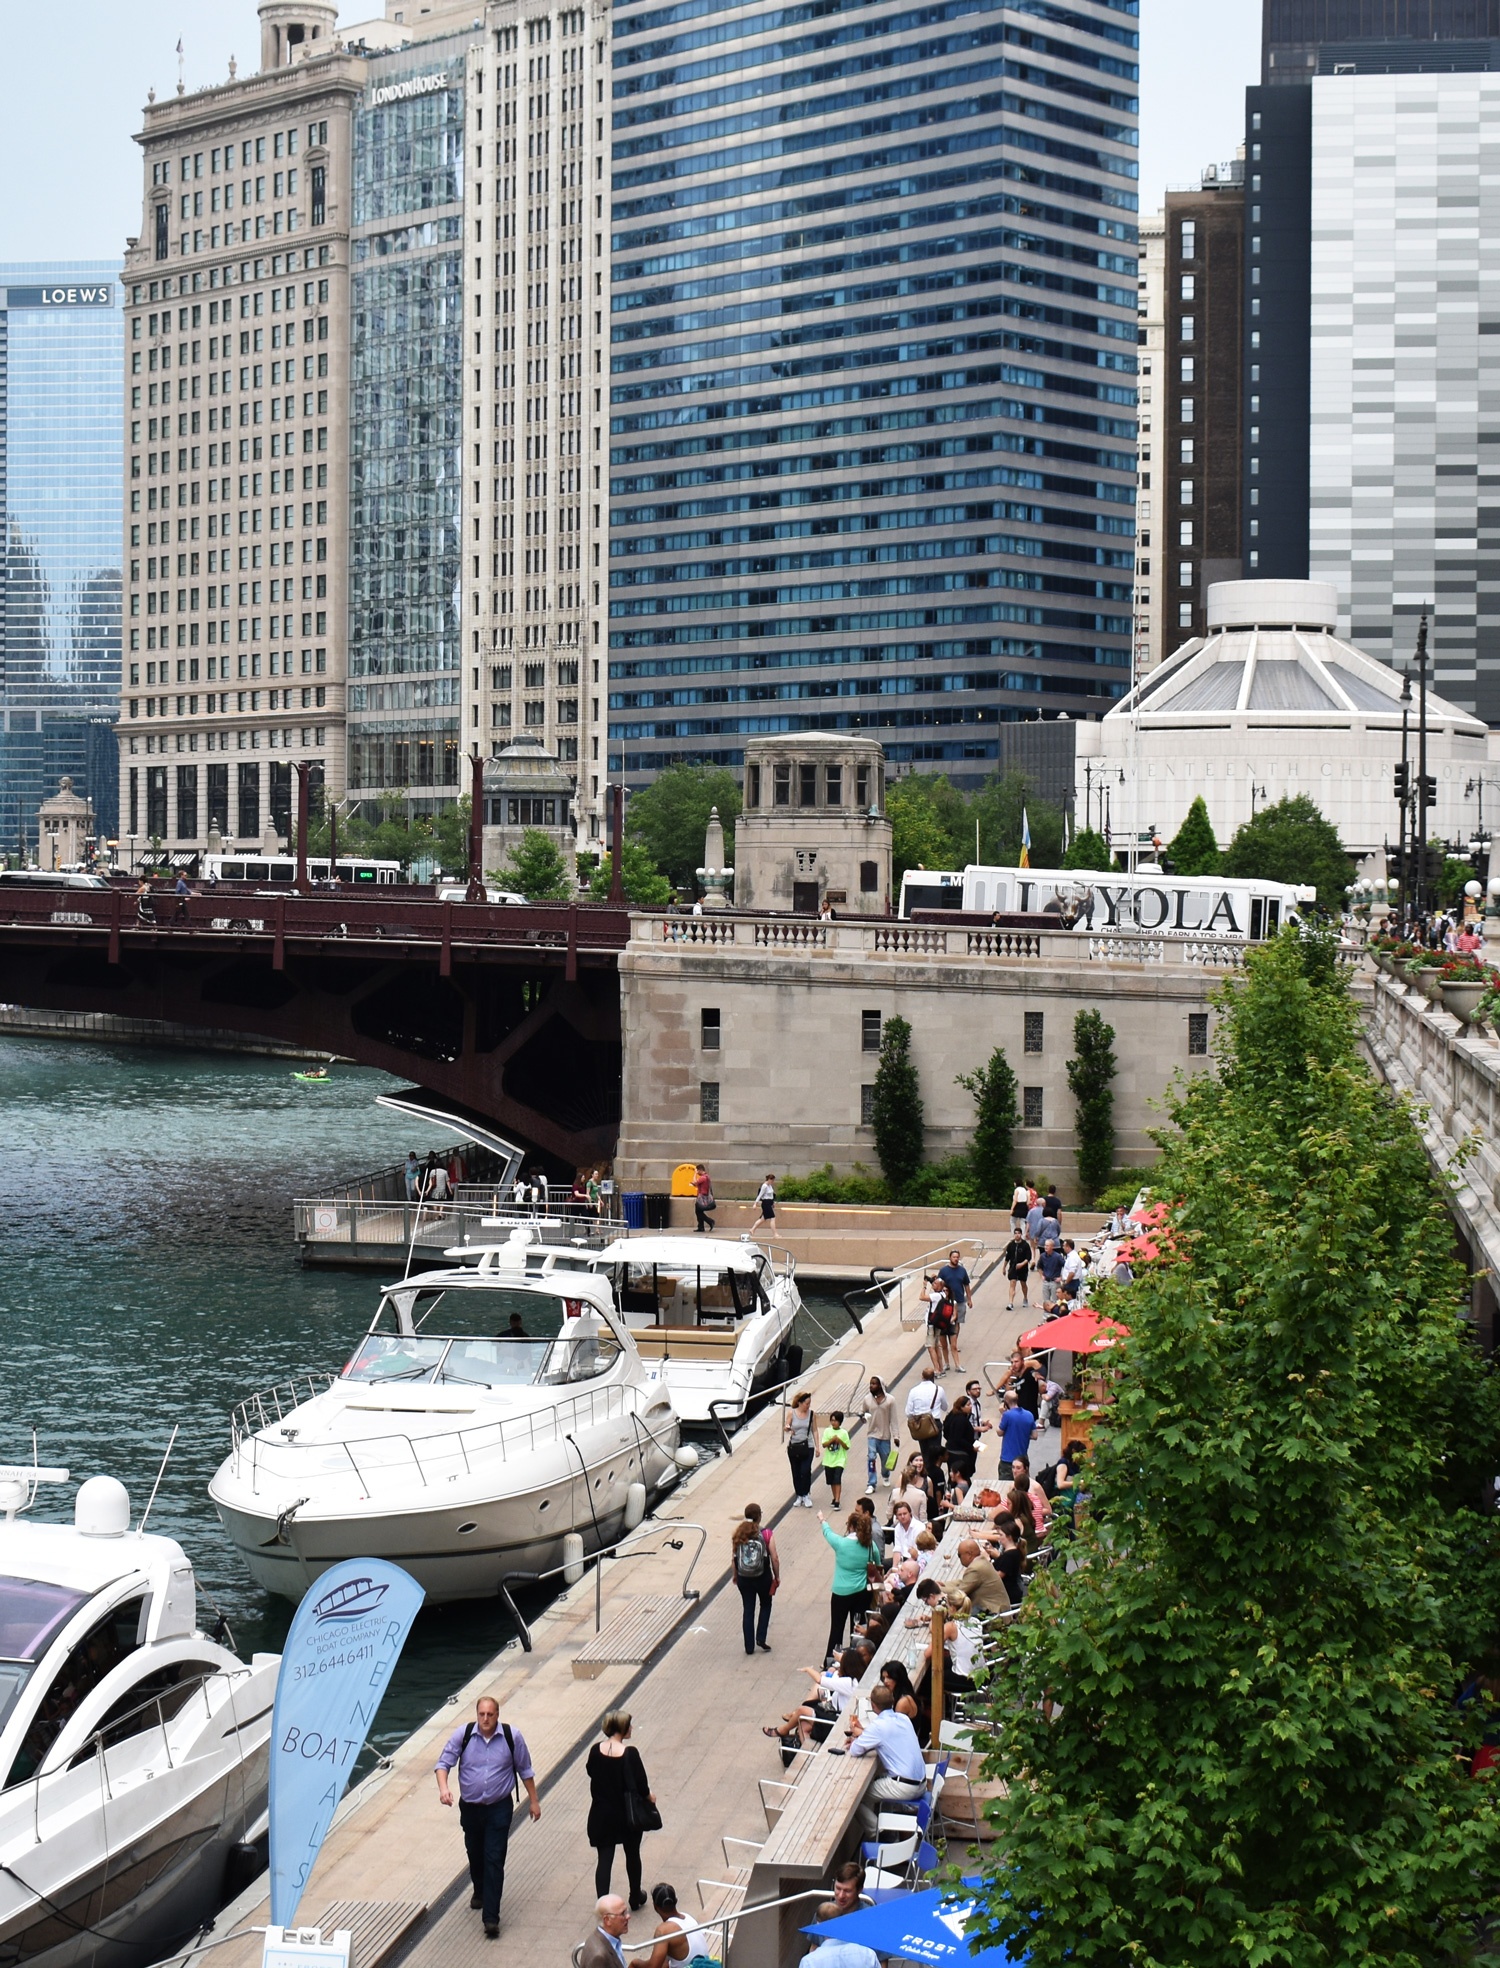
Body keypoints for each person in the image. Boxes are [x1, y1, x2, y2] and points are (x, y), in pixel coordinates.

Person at [434, 1695, 541, 1938]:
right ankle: (480, 1890)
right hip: (470, 1807)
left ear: (497, 1715)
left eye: (490, 1714)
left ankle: (491, 1917)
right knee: (475, 1852)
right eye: (481, 1714)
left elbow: (525, 1770)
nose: (485, 1719)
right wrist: (444, 1788)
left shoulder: (512, 1737)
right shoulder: (463, 1734)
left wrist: (533, 1801)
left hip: (498, 1807)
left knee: (494, 1858)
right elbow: (443, 1763)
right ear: (476, 1714)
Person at [586, 1710, 654, 1910]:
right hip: (627, 1814)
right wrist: (650, 1797)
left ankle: (604, 1905)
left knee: (604, 1859)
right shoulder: (630, 1754)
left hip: (601, 1813)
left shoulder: (594, 1750)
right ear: (623, 1729)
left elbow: (591, 1771)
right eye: (630, 1725)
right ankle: (635, 1896)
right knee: (632, 1854)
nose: (632, 1729)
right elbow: (641, 1784)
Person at [846, 1684, 927, 1837]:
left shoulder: (878, 1726)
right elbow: (890, 1739)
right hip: (922, 1783)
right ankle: (884, 1825)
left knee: (856, 1797)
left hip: (904, 1787)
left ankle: (877, 1831)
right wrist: (866, 1737)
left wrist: (859, 1738)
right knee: (878, 1783)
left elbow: (855, 1750)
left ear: (873, 1704)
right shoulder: (903, 1718)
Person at [819, 1507, 875, 1659]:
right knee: (858, 1628)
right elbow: (876, 1561)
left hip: (841, 1593)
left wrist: (823, 1520)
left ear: (850, 1526)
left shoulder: (841, 1543)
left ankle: (830, 1660)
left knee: (836, 1628)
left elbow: (828, 1533)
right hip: (862, 1593)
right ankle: (857, 1659)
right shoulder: (869, 1545)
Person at [732, 1502, 779, 1655]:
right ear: (759, 1516)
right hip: (762, 1576)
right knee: (766, 1604)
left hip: (744, 1577)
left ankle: (749, 1647)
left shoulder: (739, 1533)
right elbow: (775, 1557)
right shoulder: (765, 1534)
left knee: (748, 1609)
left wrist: (735, 1576)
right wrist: (776, 1576)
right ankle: (761, 1637)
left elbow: (734, 1558)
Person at [904, 1369, 949, 1479]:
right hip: (934, 1423)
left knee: (924, 1451)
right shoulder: (939, 1389)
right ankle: (935, 1475)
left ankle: (925, 1474)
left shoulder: (914, 1391)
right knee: (935, 1452)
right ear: (933, 1376)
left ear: (922, 1376)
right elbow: (945, 1407)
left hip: (921, 1425)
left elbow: (908, 1412)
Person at [954, 1536, 1010, 1616]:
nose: (959, 1558)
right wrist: (942, 1587)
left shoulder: (975, 1568)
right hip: (1000, 1611)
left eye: (959, 1555)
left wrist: (940, 1597)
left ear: (969, 1554)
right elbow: (963, 1583)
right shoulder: (983, 1561)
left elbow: (958, 1595)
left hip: (994, 1616)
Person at [858, 1376, 895, 1494]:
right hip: (872, 1435)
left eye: (874, 1384)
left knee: (885, 1460)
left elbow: (894, 1420)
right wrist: (862, 1417)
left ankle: (885, 1475)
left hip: (885, 1435)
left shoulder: (890, 1400)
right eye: (870, 1383)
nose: (871, 1386)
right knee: (871, 1458)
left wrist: (896, 1436)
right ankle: (871, 1483)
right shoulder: (867, 1399)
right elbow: (861, 1412)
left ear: (880, 1385)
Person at [645, 1883, 692, 1968]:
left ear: (655, 1907)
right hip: (703, 1963)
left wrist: (635, 1963)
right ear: (676, 1901)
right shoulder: (688, 1917)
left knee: (635, 1964)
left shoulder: (664, 1931)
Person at [784, 1390, 817, 1507]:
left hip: (808, 1446)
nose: (808, 1406)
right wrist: (788, 1428)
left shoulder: (812, 1414)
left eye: (809, 1403)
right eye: (806, 1403)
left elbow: (815, 1430)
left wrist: (817, 1447)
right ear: (800, 1403)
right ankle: (799, 1495)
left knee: (805, 1470)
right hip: (794, 1446)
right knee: (796, 1471)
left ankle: (806, 1493)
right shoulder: (791, 1413)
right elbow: (786, 1426)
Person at [579, 1896, 632, 1968]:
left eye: (626, 1911)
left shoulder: (608, 1939)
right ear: (607, 1920)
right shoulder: (599, 1957)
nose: (628, 1916)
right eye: (622, 1914)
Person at [940, 1394, 978, 1482]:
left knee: (953, 1476)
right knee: (961, 1478)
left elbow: (946, 1433)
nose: (971, 1407)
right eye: (968, 1405)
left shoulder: (952, 1415)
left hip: (951, 1450)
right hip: (960, 1454)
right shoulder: (960, 1420)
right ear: (961, 1407)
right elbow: (958, 1438)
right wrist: (971, 1447)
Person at [924, 1279, 956, 1376]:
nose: (933, 1285)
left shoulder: (936, 1295)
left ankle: (936, 1369)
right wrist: (932, 1279)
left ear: (939, 1286)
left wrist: (924, 1286)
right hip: (938, 1323)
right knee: (937, 1346)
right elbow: (938, 1282)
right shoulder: (943, 1294)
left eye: (934, 1284)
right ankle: (941, 1368)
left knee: (931, 1347)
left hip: (931, 1324)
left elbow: (921, 1297)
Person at [819, 1410, 851, 1509]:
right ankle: (834, 1497)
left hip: (839, 1460)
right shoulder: (827, 1431)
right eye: (832, 1420)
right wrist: (832, 1440)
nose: (833, 1423)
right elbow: (824, 1444)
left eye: (836, 1421)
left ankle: (837, 1500)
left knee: (837, 1479)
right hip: (829, 1461)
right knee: (831, 1481)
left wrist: (840, 1441)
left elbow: (847, 1447)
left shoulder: (844, 1433)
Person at [997, 1391, 1036, 1468]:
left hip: (1008, 1459)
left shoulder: (1007, 1415)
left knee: (1006, 1480)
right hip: (1023, 1459)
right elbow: (1035, 1436)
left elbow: (999, 1432)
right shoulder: (1029, 1414)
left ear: (1006, 1401)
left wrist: (1002, 1415)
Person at [937, 1249, 973, 1331]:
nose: (956, 1259)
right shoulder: (943, 1271)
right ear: (950, 1258)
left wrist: (969, 1299)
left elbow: (966, 1285)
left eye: (957, 1257)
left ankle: (954, 1341)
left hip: (959, 1300)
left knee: (957, 1322)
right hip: (947, 1301)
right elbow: (938, 1285)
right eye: (954, 1257)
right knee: (946, 1321)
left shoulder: (962, 1270)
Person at [1001, 1227, 1032, 1308]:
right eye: (1015, 1233)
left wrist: (1022, 1264)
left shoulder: (1025, 1245)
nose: (1017, 1235)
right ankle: (1010, 1303)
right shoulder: (1011, 1245)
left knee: (1023, 1284)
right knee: (1012, 1283)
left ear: (1021, 1234)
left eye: (1018, 1233)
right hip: (1013, 1267)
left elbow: (1028, 1258)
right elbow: (1007, 1257)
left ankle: (1025, 1298)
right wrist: (1004, 1267)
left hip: (1023, 1268)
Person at [1037, 1238, 1065, 1308]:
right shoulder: (1043, 1256)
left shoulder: (1057, 1256)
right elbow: (1039, 1266)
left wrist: (1061, 1278)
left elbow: (1065, 1266)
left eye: (1048, 1245)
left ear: (1052, 1247)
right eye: (1045, 1245)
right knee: (1046, 1301)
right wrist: (1041, 1275)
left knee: (1055, 1301)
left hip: (1054, 1282)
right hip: (1046, 1281)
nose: (1046, 1247)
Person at [693, 1163, 716, 1234]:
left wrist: (695, 1174)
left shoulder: (703, 1178)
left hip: (702, 1198)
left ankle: (710, 1221)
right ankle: (701, 1227)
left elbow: (694, 1182)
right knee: (699, 1212)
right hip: (703, 1196)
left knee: (698, 1212)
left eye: (697, 1171)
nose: (697, 1172)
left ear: (700, 1170)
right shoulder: (707, 1177)